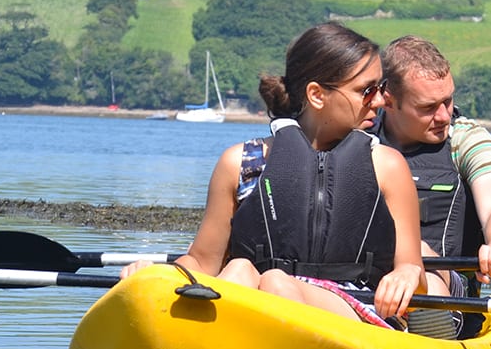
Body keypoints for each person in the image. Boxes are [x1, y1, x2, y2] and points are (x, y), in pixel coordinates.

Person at [123, 23, 428, 326]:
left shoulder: (387, 167)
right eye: (367, 90)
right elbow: (202, 262)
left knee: (275, 283)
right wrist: (155, 276)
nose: (379, 100)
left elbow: (413, 272)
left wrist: (408, 273)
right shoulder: (240, 164)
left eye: (381, 87)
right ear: (317, 95)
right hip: (259, 304)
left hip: (356, 313)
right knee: (241, 269)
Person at [374, 35, 491, 293]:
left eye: (447, 101)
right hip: (369, 285)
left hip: (447, 292)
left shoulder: (467, 140)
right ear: (389, 100)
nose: (443, 116)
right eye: (428, 107)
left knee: (414, 250)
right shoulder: (361, 138)